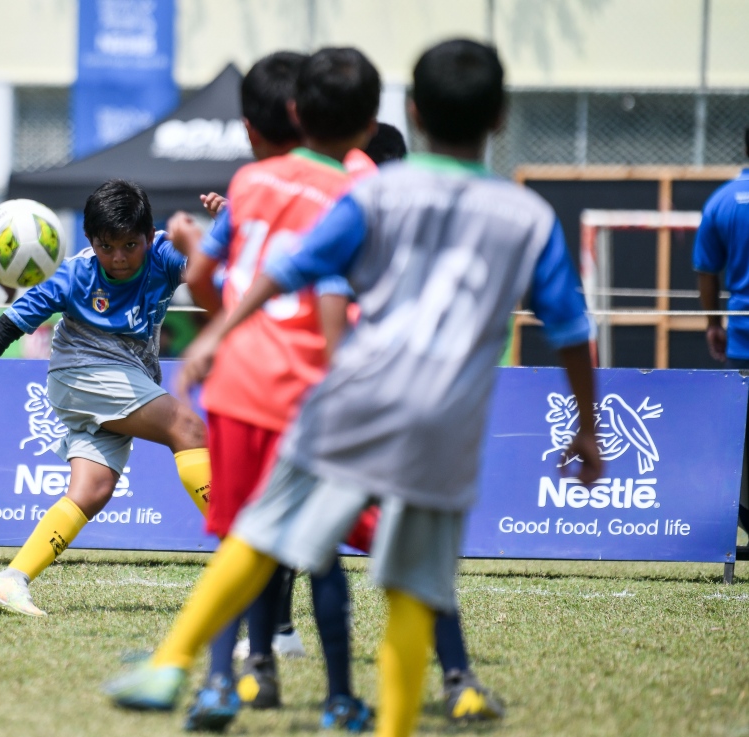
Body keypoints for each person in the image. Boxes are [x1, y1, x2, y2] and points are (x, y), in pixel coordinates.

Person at [107, 39, 603, 737]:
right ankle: (398, 720)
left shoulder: (373, 192)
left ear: (413, 112)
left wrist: (221, 332)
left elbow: (291, 264)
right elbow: (572, 329)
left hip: (352, 396)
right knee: (412, 585)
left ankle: (174, 658)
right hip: (444, 421)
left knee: (259, 529)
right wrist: (587, 424)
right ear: (499, 118)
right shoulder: (528, 217)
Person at [166, 48, 378, 731]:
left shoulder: (251, 182)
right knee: (318, 551)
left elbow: (202, 276)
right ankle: (341, 695)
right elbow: (344, 289)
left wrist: (212, 329)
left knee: (238, 539)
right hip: (306, 387)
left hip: (236, 383)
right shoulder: (357, 184)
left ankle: (223, 681)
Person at [0, 179, 212, 617]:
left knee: (93, 489)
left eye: (130, 244)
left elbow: (207, 275)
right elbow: (11, 323)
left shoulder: (163, 255)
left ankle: (11, 579)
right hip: (82, 375)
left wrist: (222, 232)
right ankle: (247, 547)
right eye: (107, 246)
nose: (120, 257)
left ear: (149, 236)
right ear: (91, 241)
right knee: (187, 428)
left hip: (122, 377)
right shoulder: (74, 274)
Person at [694, 126, 749, 533]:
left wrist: (713, 324)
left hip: (743, 338)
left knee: (742, 441)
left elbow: (706, 270)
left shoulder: (722, 201)